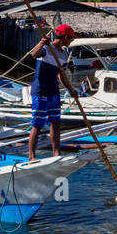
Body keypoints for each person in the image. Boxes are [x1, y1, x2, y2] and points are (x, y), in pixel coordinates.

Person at [27, 23, 76, 161]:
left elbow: (61, 75)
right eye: (71, 38)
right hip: (40, 91)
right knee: (37, 124)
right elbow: (34, 54)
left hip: (53, 91)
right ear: (65, 37)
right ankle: (32, 156)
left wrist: (71, 90)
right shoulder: (47, 49)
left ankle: (56, 153)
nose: (71, 41)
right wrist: (42, 42)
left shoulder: (64, 53)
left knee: (55, 122)